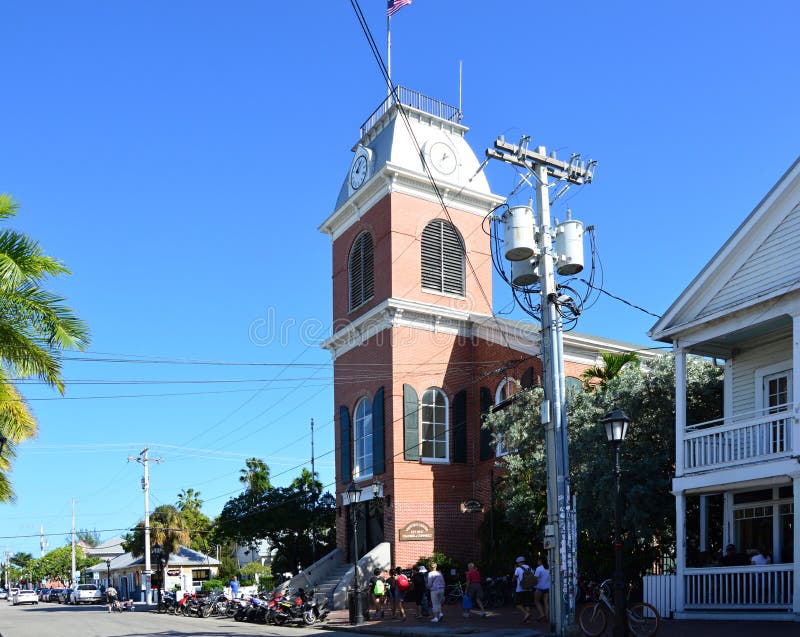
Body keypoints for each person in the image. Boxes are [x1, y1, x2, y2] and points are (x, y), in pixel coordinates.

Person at [513, 556, 534, 623]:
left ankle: (526, 613)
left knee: (517, 603)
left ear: (519, 562)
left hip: (520, 588)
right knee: (527, 604)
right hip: (529, 588)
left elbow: (514, 577)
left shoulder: (518, 569)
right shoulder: (530, 568)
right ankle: (528, 620)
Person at [533, 555, 550, 623]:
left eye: (538, 560)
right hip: (547, 587)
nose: (537, 562)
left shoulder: (539, 568)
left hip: (539, 587)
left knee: (537, 601)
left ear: (541, 561)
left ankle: (542, 615)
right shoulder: (548, 568)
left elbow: (535, 579)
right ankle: (547, 617)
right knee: (546, 602)